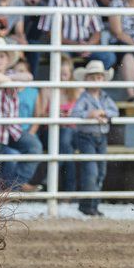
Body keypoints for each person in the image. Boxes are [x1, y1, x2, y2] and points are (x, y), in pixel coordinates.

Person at [0, 37, 42, 191]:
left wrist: (9, 78)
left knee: (34, 147)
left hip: (11, 128)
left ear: (7, 59)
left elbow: (28, 77)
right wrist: (11, 79)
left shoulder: (12, 73)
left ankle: (15, 185)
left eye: (2, 56)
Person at [39, 0, 116, 70]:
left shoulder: (90, 1)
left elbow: (97, 32)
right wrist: (75, 45)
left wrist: (88, 45)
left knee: (109, 57)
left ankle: (88, 82)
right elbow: (49, 32)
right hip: (64, 46)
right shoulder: (55, 0)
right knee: (62, 59)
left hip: (86, 46)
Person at [70, 61, 119, 216]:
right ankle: (87, 205)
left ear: (102, 80)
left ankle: (94, 205)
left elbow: (115, 112)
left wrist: (103, 113)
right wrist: (90, 114)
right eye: (92, 77)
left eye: (99, 77)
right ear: (86, 79)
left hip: (101, 137)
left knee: (100, 172)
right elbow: (75, 113)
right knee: (91, 171)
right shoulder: (83, 98)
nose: (96, 80)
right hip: (86, 137)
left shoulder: (105, 98)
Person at [39, 55, 82, 194]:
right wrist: (54, 115)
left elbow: (83, 113)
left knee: (65, 140)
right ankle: (69, 192)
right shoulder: (46, 89)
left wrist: (71, 115)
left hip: (74, 132)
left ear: (70, 73)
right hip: (50, 132)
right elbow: (40, 115)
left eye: (65, 73)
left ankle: (47, 179)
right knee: (66, 148)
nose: (63, 76)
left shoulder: (77, 89)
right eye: (60, 73)